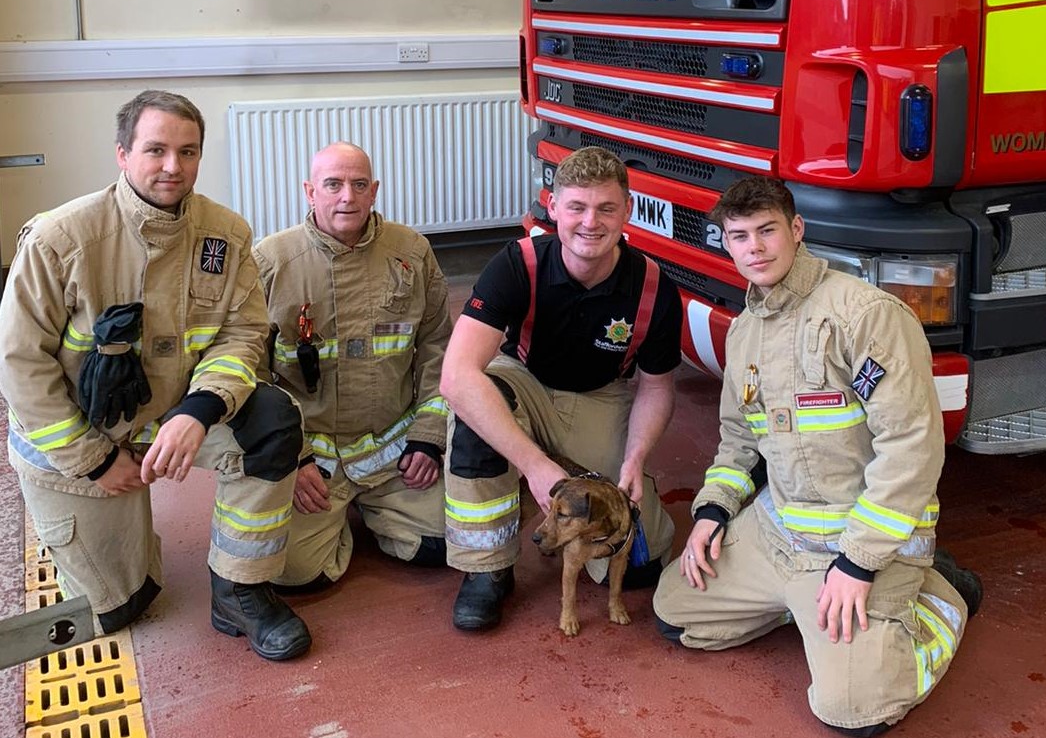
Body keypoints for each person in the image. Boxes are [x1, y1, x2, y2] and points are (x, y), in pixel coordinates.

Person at [653, 177, 981, 736]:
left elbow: (913, 448)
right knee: (676, 611)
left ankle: (939, 604)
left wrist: (858, 564)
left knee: (853, 709)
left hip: (861, 545)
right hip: (782, 536)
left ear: (796, 230)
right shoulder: (745, 334)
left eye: (767, 231)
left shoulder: (865, 316)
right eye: (739, 236)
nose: (754, 247)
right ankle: (802, 606)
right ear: (725, 244)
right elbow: (738, 440)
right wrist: (712, 512)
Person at [0, 90, 310, 661]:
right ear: (122, 154)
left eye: (188, 152)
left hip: (175, 415)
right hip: (80, 439)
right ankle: (108, 532)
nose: (174, 166)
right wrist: (92, 460)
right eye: (156, 150)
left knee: (272, 419)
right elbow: (20, 365)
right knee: (120, 607)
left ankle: (240, 589)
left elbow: (242, 335)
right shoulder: (59, 240)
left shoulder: (226, 234)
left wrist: (201, 409)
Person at [440, 146, 680, 631]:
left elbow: (656, 388)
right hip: (527, 381)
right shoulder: (517, 264)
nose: (591, 222)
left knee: (641, 565)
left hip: (601, 396)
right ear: (553, 207)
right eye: (577, 207)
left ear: (627, 211)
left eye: (606, 208)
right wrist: (537, 468)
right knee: (473, 411)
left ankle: (544, 491)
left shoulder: (653, 286)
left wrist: (635, 460)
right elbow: (456, 375)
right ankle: (487, 568)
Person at [253, 142, 451, 588]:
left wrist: (428, 437)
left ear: (374, 190)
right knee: (293, 573)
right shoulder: (272, 262)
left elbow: (438, 345)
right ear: (309, 191)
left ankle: (375, 508)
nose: (347, 197)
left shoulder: (412, 253)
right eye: (333, 184)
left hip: (394, 453)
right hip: (313, 460)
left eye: (359, 184)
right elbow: (253, 374)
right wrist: (292, 456)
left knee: (444, 541)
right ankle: (340, 517)